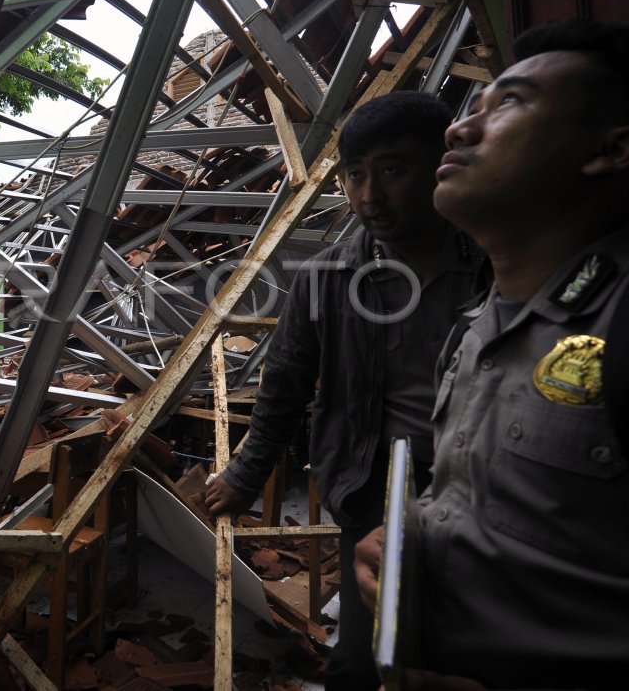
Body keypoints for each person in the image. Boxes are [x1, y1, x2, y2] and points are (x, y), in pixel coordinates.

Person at [355, 19, 629, 690]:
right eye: (474, 106)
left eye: (512, 103)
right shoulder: (477, 330)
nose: (459, 130)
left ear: (612, 149)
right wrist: (412, 543)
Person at [205, 90, 487, 690]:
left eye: (390, 170)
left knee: (467, 646)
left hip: (486, 487)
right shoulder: (328, 277)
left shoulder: (496, 262)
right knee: (363, 661)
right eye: (354, 175)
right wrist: (245, 474)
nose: (368, 195)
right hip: (374, 483)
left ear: (441, 163)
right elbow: (283, 382)